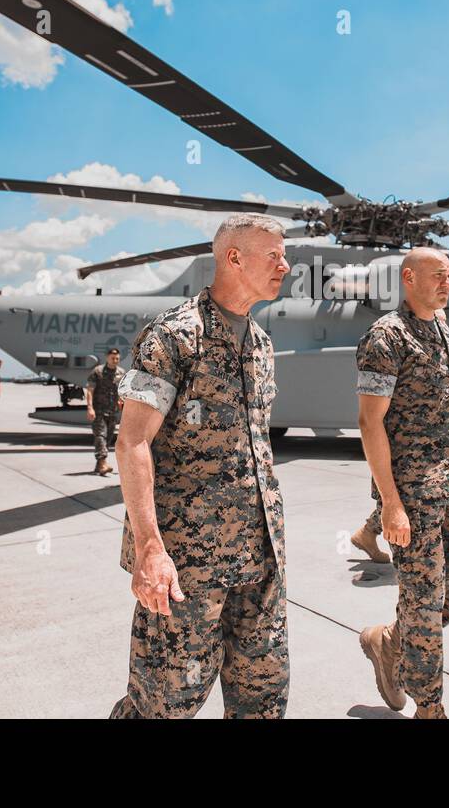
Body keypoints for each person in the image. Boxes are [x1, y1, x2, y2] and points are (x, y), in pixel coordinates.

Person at [109, 213, 290, 719]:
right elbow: (132, 444)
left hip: (261, 558)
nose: (286, 264)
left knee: (264, 700)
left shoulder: (261, 345)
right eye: (273, 255)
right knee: (162, 704)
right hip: (187, 565)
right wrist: (150, 550)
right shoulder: (172, 336)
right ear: (234, 258)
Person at [355, 247, 449, 719]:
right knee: (424, 599)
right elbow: (370, 424)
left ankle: (392, 641)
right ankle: (430, 706)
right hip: (414, 496)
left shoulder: (443, 329)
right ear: (408, 278)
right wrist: (390, 504)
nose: (446, 283)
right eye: (437, 275)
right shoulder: (386, 336)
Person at [85, 349, 125, 475]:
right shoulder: (98, 372)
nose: (115, 360)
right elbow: (90, 390)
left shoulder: (121, 373)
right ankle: (102, 464)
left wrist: (122, 405)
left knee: (108, 438)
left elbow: (122, 392)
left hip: (113, 411)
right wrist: (90, 408)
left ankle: (99, 465)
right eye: (113, 358)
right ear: (107, 357)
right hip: (99, 410)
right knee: (100, 436)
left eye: (117, 358)